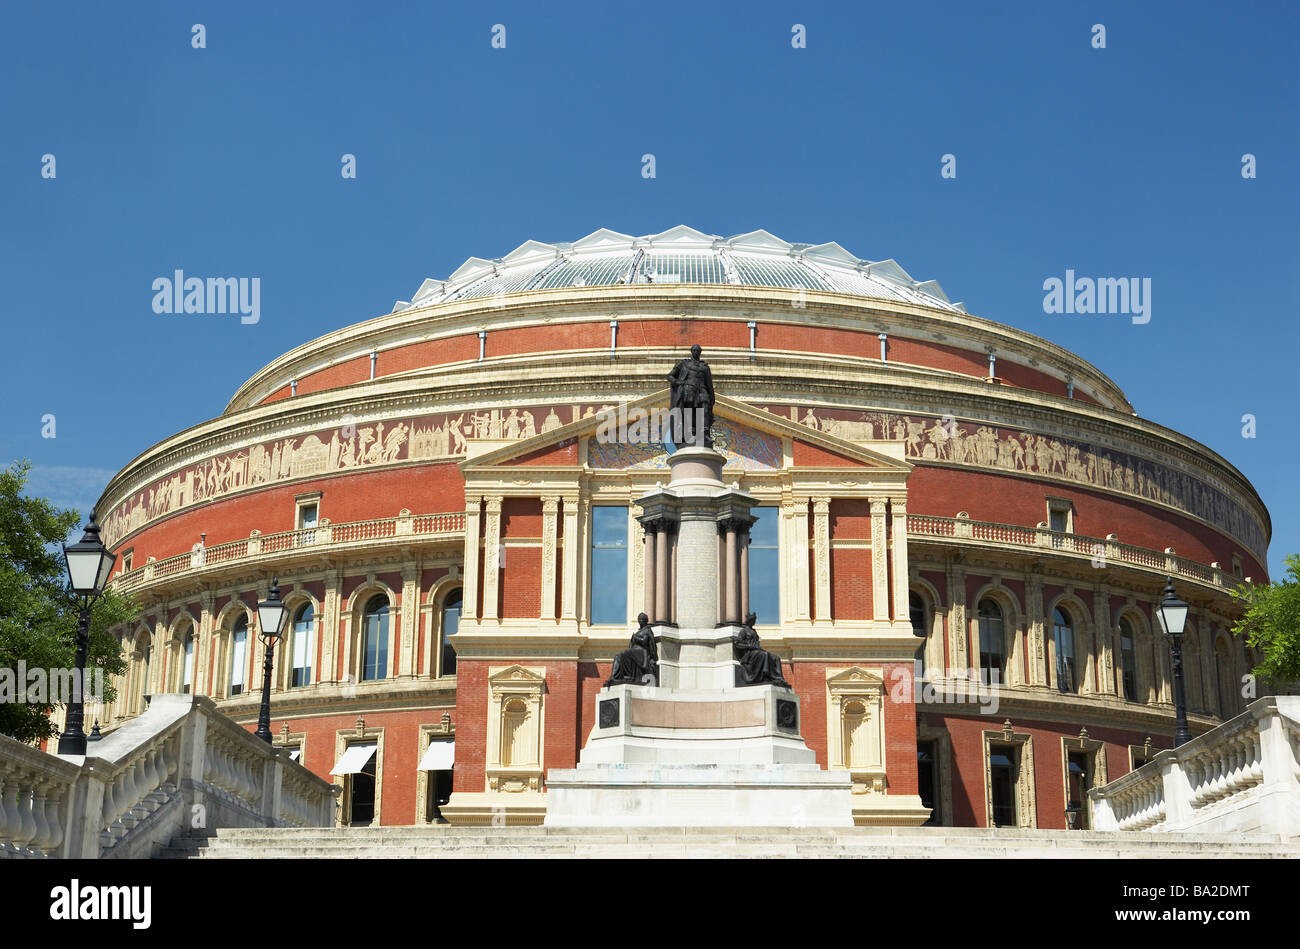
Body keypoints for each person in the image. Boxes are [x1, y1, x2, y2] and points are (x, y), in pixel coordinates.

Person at [666, 344, 715, 448]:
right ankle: (690, 434)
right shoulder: (684, 364)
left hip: (702, 390)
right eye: (694, 350)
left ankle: (704, 434)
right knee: (689, 412)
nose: (696, 352)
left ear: (700, 352)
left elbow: (709, 384)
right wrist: (678, 382)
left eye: (698, 350)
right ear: (691, 351)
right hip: (689, 390)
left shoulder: (704, 367)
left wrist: (712, 397)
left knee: (705, 411)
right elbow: (670, 376)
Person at [732, 612, 789, 687]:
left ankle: (779, 678)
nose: (754, 622)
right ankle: (766, 673)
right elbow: (737, 643)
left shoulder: (754, 631)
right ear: (749, 621)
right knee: (765, 654)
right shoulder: (744, 631)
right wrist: (749, 646)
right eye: (753, 620)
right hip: (749, 654)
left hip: (757, 651)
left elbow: (757, 644)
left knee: (776, 658)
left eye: (754, 620)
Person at [606, 613, 659, 687]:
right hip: (634, 651)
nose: (639, 621)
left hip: (641, 652)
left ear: (644, 621)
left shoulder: (647, 630)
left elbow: (644, 641)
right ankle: (614, 677)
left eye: (641, 619)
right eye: (639, 619)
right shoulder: (639, 631)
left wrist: (635, 638)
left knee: (625, 653)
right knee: (618, 656)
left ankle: (615, 677)